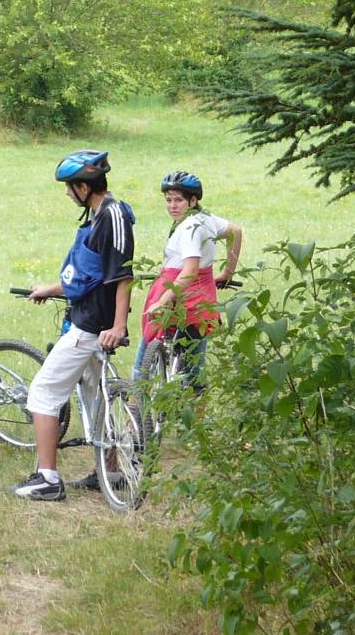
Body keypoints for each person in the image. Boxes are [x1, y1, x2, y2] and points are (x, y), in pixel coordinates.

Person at [14, 149, 134, 502]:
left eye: (70, 187)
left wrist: (119, 326)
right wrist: (51, 289)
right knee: (95, 397)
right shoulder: (100, 215)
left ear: (84, 187)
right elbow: (90, 276)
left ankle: (48, 479)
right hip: (93, 321)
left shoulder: (112, 217)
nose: (67, 193)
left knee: (43, 392)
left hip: (92, 327)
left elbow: (123, 276)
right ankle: (109, 471)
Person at [137, 170, 243, 387]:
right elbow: (235, 231)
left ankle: (136, 406)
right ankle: (195, 405)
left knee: (144, 359)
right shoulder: (206, 218)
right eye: (168, 200)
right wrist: (228, 273)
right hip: (202, 298)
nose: (172, 206)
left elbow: (190, 270)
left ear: (193, 201)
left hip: (181, 298)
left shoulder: (188, 228)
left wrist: (162, 300)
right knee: (194, 369)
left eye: (179, 200)